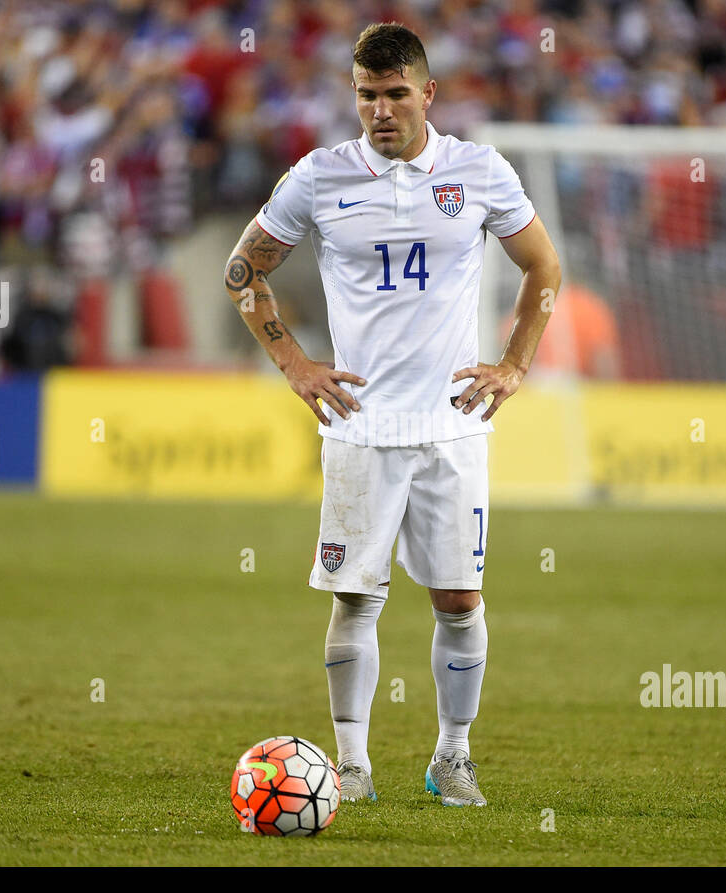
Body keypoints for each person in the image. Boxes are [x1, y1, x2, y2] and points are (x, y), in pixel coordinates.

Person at [222, 22, 560, 807]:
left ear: (427, 93)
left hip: (451, 427)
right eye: (367, 95)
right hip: (360, 428)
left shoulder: (478, 172)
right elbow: (245, 270)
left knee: (460, 599)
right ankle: (353, 767)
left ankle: (452, 756)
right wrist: (294, 364)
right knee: (355, 596)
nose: (380, 110)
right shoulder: (320, 177)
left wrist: (514, 365)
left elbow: (542, 264)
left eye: (396, 93)